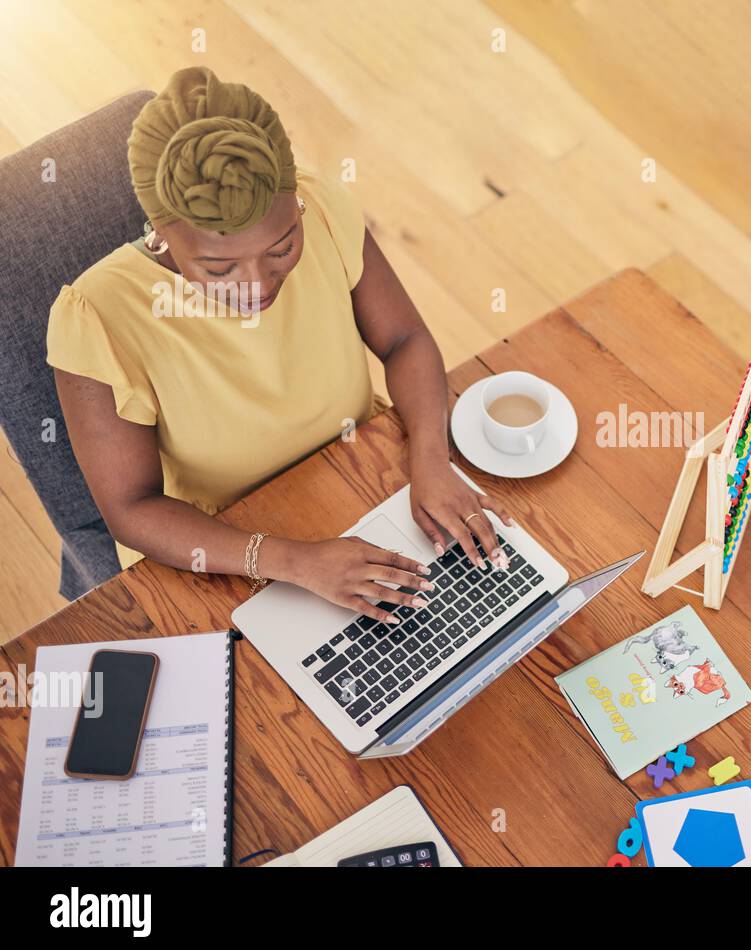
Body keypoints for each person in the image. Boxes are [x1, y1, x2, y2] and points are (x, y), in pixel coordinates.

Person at [48, 67, 510, 624]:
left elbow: (404, 338)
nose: (258, 284)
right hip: (225, 551)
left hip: (365, 470)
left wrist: (432, 459)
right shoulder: (97, 319)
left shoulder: (323, 208)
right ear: (160, 232)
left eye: (283, 245)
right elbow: (131, 508)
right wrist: (295, 561)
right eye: (218, 267)